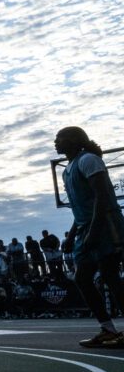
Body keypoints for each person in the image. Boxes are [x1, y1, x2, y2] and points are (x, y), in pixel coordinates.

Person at [54, 127, 124, 347]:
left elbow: (101, 198)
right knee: (82, 278)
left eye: (60, 138)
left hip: (106, 225)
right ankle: (108, 329)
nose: (55, 142)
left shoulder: (89, 160)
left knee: (110, 275)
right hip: (87, 227)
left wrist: (94, 232)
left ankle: (111, 330)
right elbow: (81, 207)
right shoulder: (67, 170)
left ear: (74, 140)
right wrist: (73, 234)